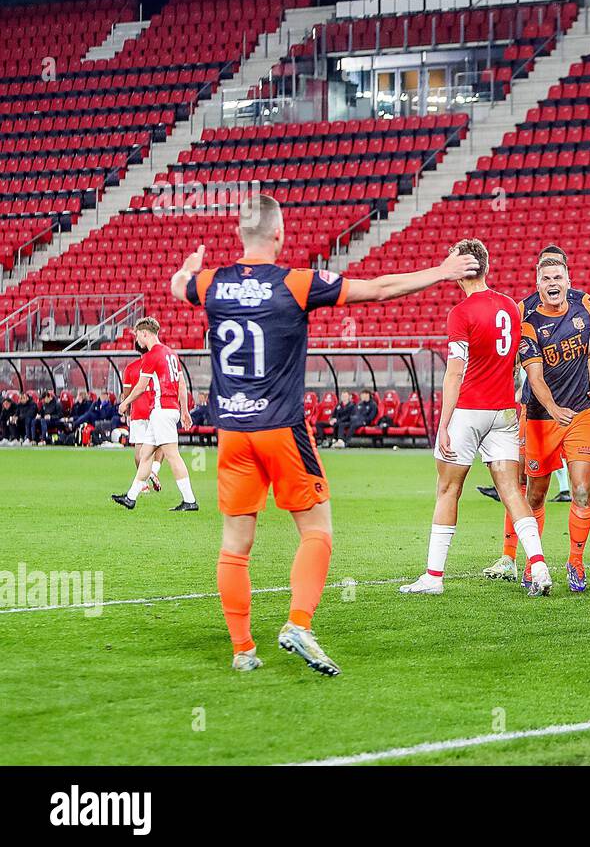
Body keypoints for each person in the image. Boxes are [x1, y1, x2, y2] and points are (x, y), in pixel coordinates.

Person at [172, 193, 479, 674]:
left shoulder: (210, 283)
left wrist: (188, 268)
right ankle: (297, 622)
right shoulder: (295, 282)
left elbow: (178, 286)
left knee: (235, 544)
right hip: (282, 428)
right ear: (280, 234)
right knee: (317, 531)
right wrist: (441, 272)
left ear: (238, 234)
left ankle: (243, 650)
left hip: (231, 431)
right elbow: (378, 290)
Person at [401, 239, 553, 598]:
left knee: (448, 488)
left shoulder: (461, 313)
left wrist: (443, 426)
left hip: (469, 411)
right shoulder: (510, 308)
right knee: (512, 491)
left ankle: (433, 577)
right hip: (503, 412)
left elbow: (455, 373)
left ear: (463, 268)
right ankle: (539, 564)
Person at [516, 257, 590, 592]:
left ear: (568, 280)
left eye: (558, 277)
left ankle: (576, 563)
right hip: (542, 417)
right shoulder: (528, 321)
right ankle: (531, 560)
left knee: (581, 489)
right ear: (537, 284)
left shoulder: (586, 305)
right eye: (546, 278)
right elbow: (535, 377)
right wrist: (552, 408)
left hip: (581, 412)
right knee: (535, 495)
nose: (553, 283)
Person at [112, 318, 196, 510]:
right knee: (146, 454)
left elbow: (141, 387)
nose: (137, 340)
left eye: (137, 336)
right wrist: (184, 410)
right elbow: (182, 385)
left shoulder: (152, 355)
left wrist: (125, 403)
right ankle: (131, 497)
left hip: (162, 410)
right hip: (169, 409)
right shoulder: (171, 354)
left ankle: (190, 500)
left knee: (173, 455)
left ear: (144, 334)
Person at [122, 341, 162, 495]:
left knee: (140, 447)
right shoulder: (158, 365)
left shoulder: (130, 368)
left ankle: (143, 483)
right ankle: (154, 470)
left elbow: (126, 393)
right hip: (155, 409)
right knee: (162, 443)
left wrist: (126, 409)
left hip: (138, 411)